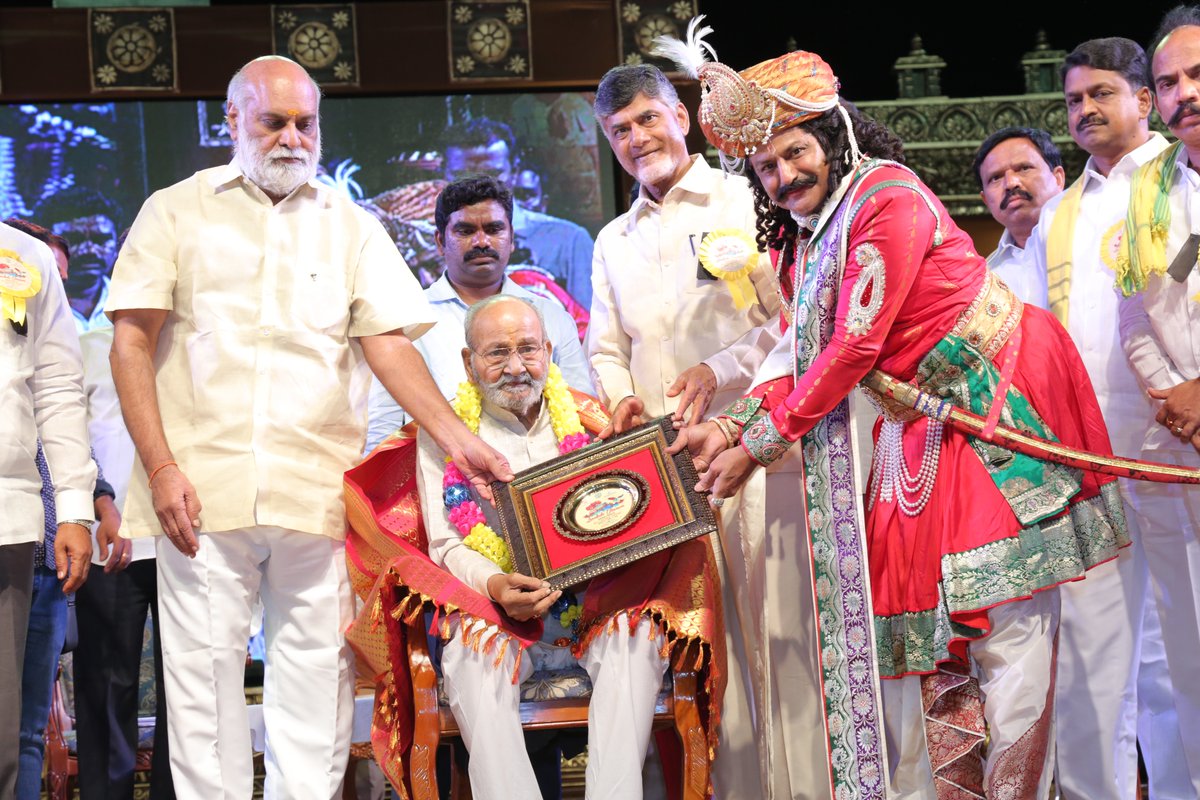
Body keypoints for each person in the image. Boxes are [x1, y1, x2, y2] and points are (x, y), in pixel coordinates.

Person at [658, 23, 1127, 799]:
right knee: (932, 647)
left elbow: (851, 347)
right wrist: (733, 422)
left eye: (795, 150)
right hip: (920, 427)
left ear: (834, 132)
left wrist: (760, 442)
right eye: (765, 165)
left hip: (999, 404)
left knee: (1007, 627)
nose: (782, 174)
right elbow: (799, 355)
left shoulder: (886, 197)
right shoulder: (807, 244)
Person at [105, 55, 510, 799]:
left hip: (316, 490)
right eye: (273, 121)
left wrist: (461, 440)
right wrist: (160, 467)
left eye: (306, 122)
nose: (293, 137)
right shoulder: (175, 209)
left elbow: (389, 344)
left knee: (317, 687)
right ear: (232, 122)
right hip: (198, 487)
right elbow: (130, 341)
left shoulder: (351, 226)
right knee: (201, 690)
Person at [412, 294, 717, 800]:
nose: (515, 367)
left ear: (550, 350)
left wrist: (643, 448)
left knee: (636, 640)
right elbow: (444, 543)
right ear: (469, 361)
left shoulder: (591, 419)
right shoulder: (445, 432)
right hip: (497, 612)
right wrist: (495, 585)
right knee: (472, 655)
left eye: (528, 349)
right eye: (497, 353)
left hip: (592, 607)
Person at [588, 62, 794, 799]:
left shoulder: (748, 196)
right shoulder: (612, 237)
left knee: (765, 635)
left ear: (681, 115)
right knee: (687, 650)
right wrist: (619, 401)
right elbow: (607, 347)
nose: (637, 138)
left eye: (648, 118)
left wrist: (717, 371)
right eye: (619, 130)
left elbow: (787, 325)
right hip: (659, 473)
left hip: (751, 453)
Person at [1022, 38, 1178, 800]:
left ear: (1143, 100)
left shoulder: (1182, 180)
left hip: (1177, 450)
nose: (1085, 110)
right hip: (1086, 464)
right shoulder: (1061, 209)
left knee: (1178, 655)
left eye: (1102, 94)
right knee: (1094, 659)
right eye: (1075, 99)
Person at [1116, 8, 1200, 795]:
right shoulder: (1153, 187)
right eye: (1168, 82)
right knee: (1185, 647)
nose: (1182, 95)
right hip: (1177, 443)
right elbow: (1137, 308)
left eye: (1196, 75)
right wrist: (1172, 393)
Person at [365, 174, 592, 452]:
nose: (481, 241)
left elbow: (583, 410)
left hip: (545, 478)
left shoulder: (551, 316)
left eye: (494, 229)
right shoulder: (408, 322)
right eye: (465, 231)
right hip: (444, 484)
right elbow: (384, 430)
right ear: (440, 241)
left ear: (511, 240)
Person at [0, 219, 95, 798]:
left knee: (7, 735)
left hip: (8, 521)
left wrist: (76, 510)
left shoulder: (24, 256)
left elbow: (59, 390)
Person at [442, 118, 596, 307]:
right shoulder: (418, 243)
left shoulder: (569, 240)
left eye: (492, 174)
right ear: (444, 174)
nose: (476, 186)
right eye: (462, 176)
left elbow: (586, 326)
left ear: (515, 171)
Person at [974, 126, 1065, 301]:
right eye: (996, 177)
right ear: (986, 200)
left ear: (1058, 178)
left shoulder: (1095, 240)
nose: (1010, 183)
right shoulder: (986, 283)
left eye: (1024, 168)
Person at [31, 187, 121, 332]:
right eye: (74, 239)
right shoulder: (24, 305)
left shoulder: (132, 299)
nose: (90, 250)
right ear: (43, 245)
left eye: (101, 240)